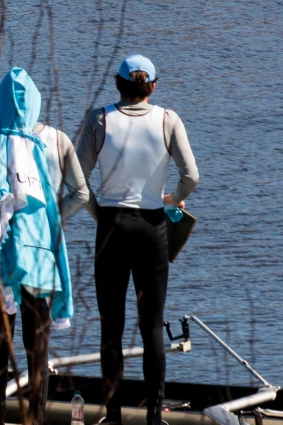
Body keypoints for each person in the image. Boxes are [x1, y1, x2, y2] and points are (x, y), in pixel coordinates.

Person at [73, 55, 200, 425]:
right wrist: (172, 199)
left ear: (117, 85)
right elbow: (191, 175)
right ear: (153, 87)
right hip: (152, 229)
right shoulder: (168, 119)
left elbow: (78, 182)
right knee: (152, 326)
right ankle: (154, 417)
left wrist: (101, 215)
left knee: (111, 327)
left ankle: (112, 417)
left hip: (112, 228)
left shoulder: (98, 119)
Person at [0, 69, 90, 425]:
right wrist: (52, 218)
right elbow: (81, 194)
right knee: (38, 349)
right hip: (42, 255)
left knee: (0, 345)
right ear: (36, 102)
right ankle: (35, 419)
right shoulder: (58, 140)